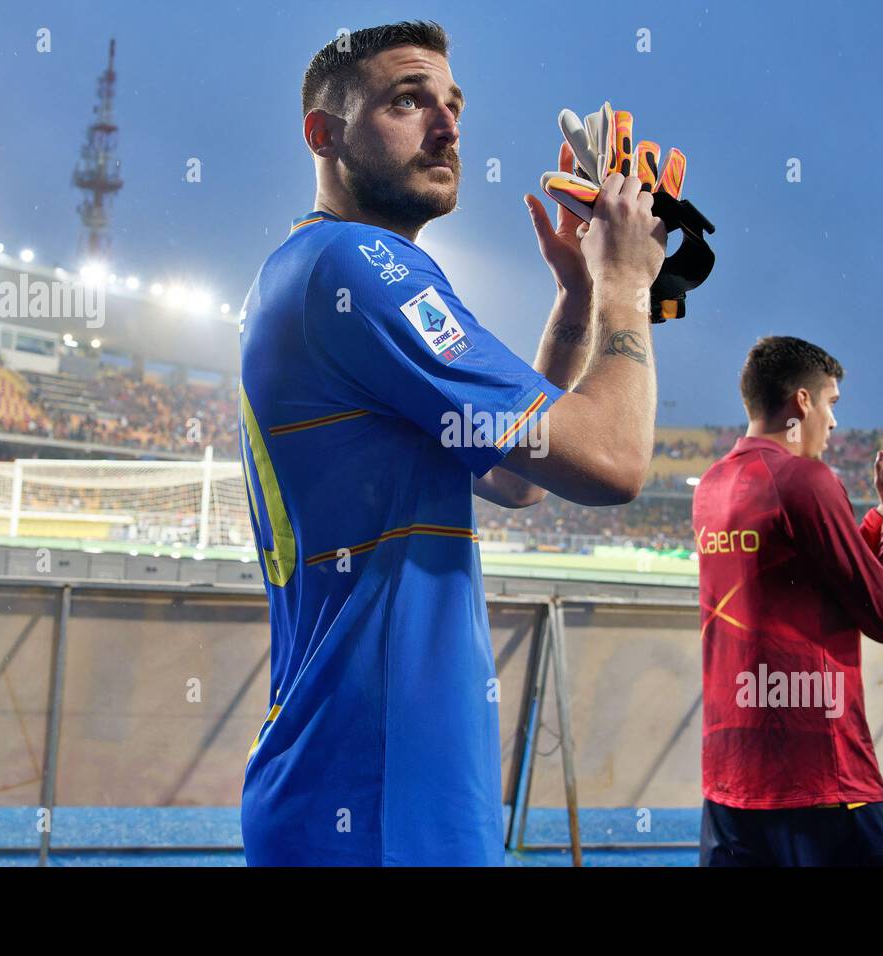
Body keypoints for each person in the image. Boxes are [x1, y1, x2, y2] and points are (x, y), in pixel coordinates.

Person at [237, 20, 667, 865]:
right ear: (323, 134)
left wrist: (576, 302)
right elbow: (614, 461)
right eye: (408, 100)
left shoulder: (314, 271)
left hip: (363, 791)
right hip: (378, 802)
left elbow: (516, 480)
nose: (447, 126)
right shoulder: (359, 266)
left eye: (453, 105)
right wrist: (628, 283)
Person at [691, 335, 883, 866]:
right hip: (822, 778)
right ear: (803, 402)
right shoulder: (806, 478)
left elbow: (808, 567)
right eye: (831, 403)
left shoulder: (712, 483)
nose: (834, 421)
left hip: (730, 782)